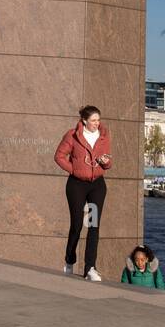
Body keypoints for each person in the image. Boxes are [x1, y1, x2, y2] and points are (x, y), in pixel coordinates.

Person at [53, 105, 112, 281]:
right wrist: (75, 169)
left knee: (93, 225)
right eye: (93, 120)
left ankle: (90, 268)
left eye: (98, 120)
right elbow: (59, 156)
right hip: (76, 186)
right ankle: (69, 260)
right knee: (77, 224)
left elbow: (108, 162)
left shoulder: (103, 135)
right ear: (84, 121)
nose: (97, 123)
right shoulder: (72, 135)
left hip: (96, 186)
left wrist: (105, 161)